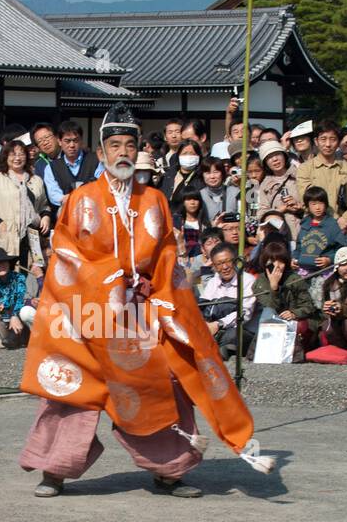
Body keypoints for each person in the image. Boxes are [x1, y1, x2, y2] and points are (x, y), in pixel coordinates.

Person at [19, 104, 273, 498]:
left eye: (129, 145)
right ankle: (54, 471)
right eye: (113, 145)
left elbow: (168, 257)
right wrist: (107, 281)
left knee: (160, 379)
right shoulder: (79, 199)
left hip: (140, 309)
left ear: (137, 152)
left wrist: (155, 294)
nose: (121, 152)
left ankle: (169, 471)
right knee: (75, 387)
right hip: (88, 312)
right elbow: (66, 257)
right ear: (101, 154)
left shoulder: (154, 199)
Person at [0, 138, 49, 274]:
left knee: (28, 279)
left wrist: (45, 216)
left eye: (21, 154)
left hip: (31, 238)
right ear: (5, 157)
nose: (17, 158)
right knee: (3, 278)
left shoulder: (36, 180)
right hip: (5, 236)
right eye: (13, 154)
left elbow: (44, 205)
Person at [253, 239, 317, 360]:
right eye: (272, 261)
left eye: (281, 262)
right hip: (272, 321)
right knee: (267, 313)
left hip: (295, 319)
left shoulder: (294, 279)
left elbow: (309, 306)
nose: (277, 266)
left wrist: (294, 313)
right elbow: (270, 308)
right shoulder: (259, 283)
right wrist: (274, 288)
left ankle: (294, 354)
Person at [296, 121, 347, 234]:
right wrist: (336, 220)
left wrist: (345, 220)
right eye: (323, 139)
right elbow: (307, 201)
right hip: (314, 228)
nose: (328, 144)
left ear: (338, 142)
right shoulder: (304, 169)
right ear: (316, 141)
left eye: (333, 139)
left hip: (344, 229)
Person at [200, 242, 257, 359]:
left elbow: (245, 313)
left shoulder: (248, 281)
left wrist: (219, 324)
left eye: (227, 261)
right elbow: (204, 308)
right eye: (219, 264)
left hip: (241, 329)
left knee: (231, 336)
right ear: (214, 266)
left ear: (236, 261)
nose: (224, 267)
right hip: (214, 328)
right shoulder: (213, 282)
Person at [294, 186, 343, 274]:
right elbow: (298, 248)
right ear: (307, 206)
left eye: (321, 203)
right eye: (313, 204)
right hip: (304, 271)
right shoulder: (304, 224)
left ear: (326, 204)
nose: (317, 207)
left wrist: (329, 259)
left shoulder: (332, 225)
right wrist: (294, 259)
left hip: (325, 272)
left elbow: (342, 249)